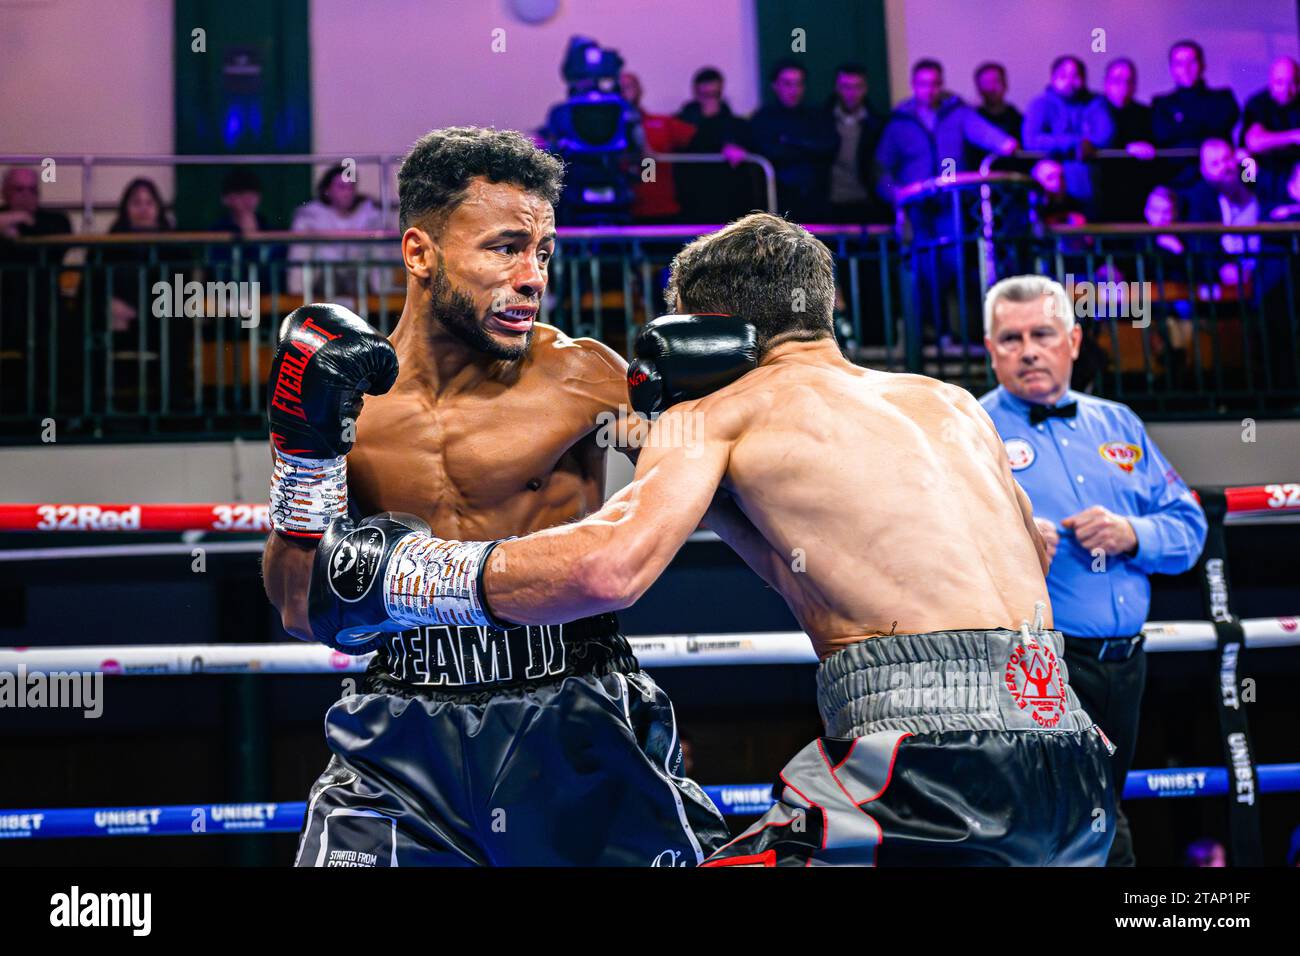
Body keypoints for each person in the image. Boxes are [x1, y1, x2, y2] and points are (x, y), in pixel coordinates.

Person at [302, 212, 1117, 867]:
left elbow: (612, 568)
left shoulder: (721, 412)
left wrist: (408, 573)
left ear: (713, 332)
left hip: (922, 764)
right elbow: (1034, 549)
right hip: (1073, 751)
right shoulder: (950, 403)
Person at [264, 126, 727, 867]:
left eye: (542, 252)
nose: (533, 275)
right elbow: (298, 609)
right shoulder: (351, 406)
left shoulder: (580, 375)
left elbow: (723, 462)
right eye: (506, 247)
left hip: (569, 709)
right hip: (399, 726)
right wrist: (303, 453)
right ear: (420, 253)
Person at [979, 275, 1207, 866]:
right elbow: (934, 551)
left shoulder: (1119, 424)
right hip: (1037, 662)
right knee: (1081, 816)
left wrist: (1136, 534)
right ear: (990, 349)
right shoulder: (971, 432)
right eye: (1011, 338)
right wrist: (1014, 550)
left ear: (1073, 341)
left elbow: (1189, 528)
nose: (1028, 349)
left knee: (1098, 805)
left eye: (1043, 334)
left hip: (1126, 664)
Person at [876, 59, 1016, 338]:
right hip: (915, 210)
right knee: (920, 271)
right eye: (924, 84)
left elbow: (997, 140)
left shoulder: (958, 114)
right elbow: (882, 170)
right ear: (914, 86)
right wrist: (897, 194)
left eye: (935, 83)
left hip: (951, 208)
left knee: (955, 267)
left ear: (942, 84)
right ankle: (928, 332)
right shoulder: (899, 124)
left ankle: (959, 334)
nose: (930, 89)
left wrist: (1005, 145)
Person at [749, 59, 839, 222]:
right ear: (775, 86)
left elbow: (829, 146)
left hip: (817, 203)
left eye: (798, 84)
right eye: (787, 84)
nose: (794, 90)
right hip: (777, 205)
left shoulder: (818, 116)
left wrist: (788, 142)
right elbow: (769, 151)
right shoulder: (763, 118)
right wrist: (807, 147)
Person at [1022, 55, 1114, 212]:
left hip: (1090, 188)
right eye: (1063, 76)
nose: (1070, 82)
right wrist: (1075, 143)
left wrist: (1083, 144)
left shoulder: (1095, 102)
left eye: (1076, 76)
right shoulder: (1040, 104)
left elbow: (1105, 135)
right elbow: (1031, 140)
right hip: (1051, 192)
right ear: (1053, 78)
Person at [287, 162, 387, 298]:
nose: (347, 192)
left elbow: (379, 256)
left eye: (351, 187)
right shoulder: (309, 217)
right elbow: (298, 257)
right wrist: (296, 295)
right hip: (322, 284)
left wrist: (383, 294)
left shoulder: (370, 217)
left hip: (358, 285)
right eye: (341, 187)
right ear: (327, 190)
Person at [1152, 41, 1240, 189]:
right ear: (1172, 69)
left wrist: (1182, 128)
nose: (1186, 69)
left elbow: (1221, 127)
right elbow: (1162, 135)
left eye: (1191, 62)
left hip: (1221, 182)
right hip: (1178, 184)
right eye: (1179, 63)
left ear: (1202, 65)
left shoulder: (1223, 98)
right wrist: (1203, 129)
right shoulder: (1161, 103)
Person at [674, 67, 755, 223]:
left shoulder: (735, 125)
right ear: (696, 92)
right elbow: (687, 143)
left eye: (714, 95)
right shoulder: (681, 122)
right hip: (692, 195)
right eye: (705, 95)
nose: (710, 100)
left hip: (727, 197)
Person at [1181, 138, 1261, 290]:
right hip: (1225, 277)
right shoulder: (1200, 198)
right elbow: (1200, 241)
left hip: (1263, 269)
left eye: (1227, 159)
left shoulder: (1250, 184)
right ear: (1204, 170)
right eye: (1215, 163)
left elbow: (1262, 182)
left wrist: (1248, 160)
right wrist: (1221, 267)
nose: (1224, 166)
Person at [618, 71, 697, 224]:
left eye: (629, 86)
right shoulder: (599, 131)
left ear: (639, 90)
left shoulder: (660, 123)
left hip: (659, 210)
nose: (624, 91)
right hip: (616, 211)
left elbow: (700, 137)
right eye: (620, 87)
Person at [823, 62, 887, 225]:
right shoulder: (820, 123)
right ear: (837, 88)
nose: (852, 93)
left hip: (867, 204)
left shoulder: (877, 125)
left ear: (865, 89)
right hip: (830, 205)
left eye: (857, 87)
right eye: (846, 87)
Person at [1241, 56, 1300, 213]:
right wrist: (1294, 137)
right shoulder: (1259, 103)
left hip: (1296, 173)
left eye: (1293, 82)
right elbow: (1255, 143)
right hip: (1260, 169)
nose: (1287, 90)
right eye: (1280, 83)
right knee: (1245, 161)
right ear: (1271, 81)